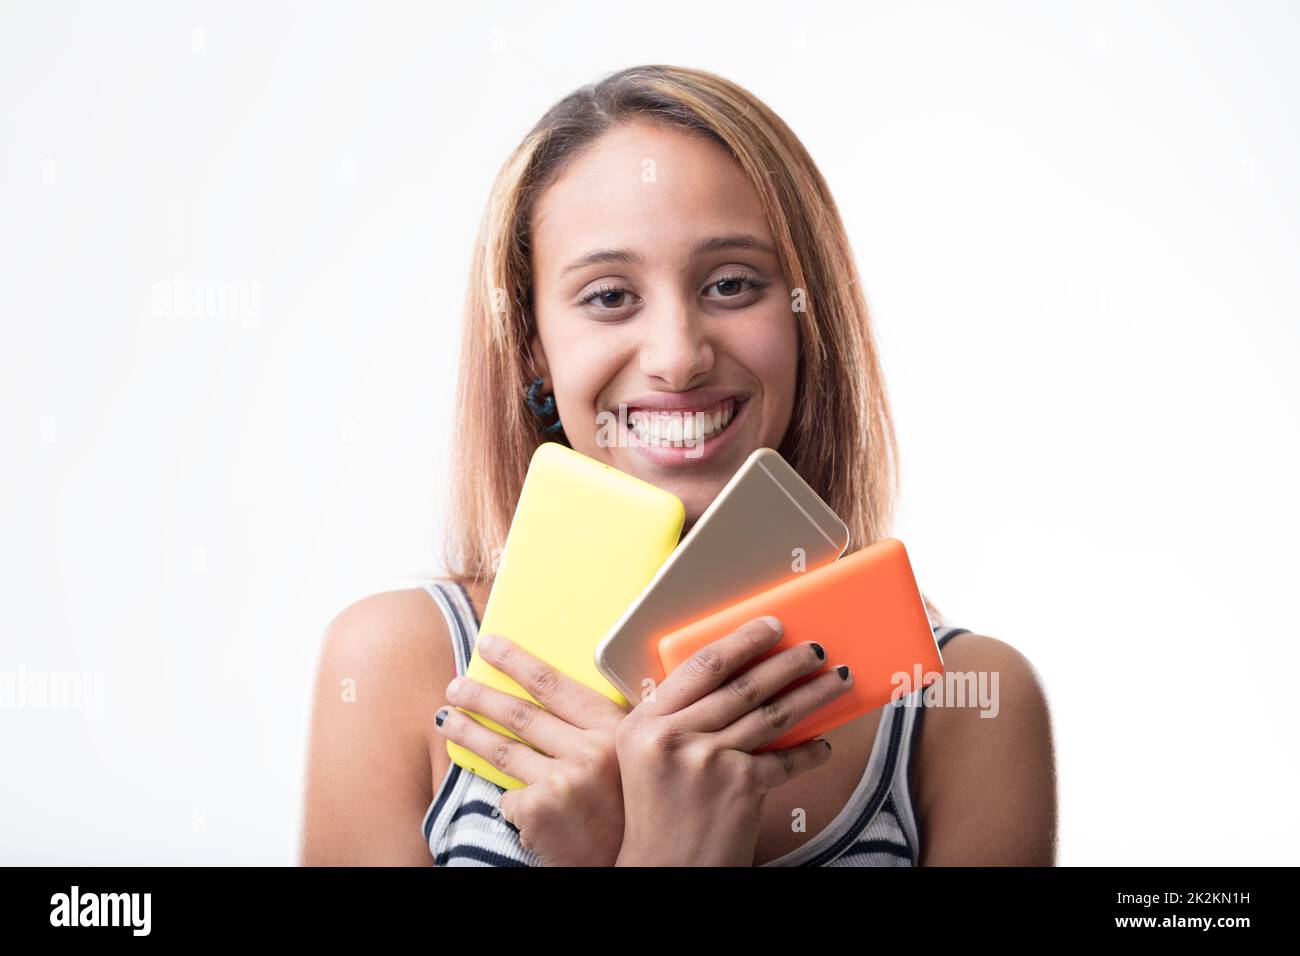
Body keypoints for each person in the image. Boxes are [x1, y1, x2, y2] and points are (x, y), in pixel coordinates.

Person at [300, 64, 1057, 866]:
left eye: (731, 284)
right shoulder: (396, 664)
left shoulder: (968, 704)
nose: (678, 358)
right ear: (533, 345)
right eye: (608, 296)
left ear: (808, 319)